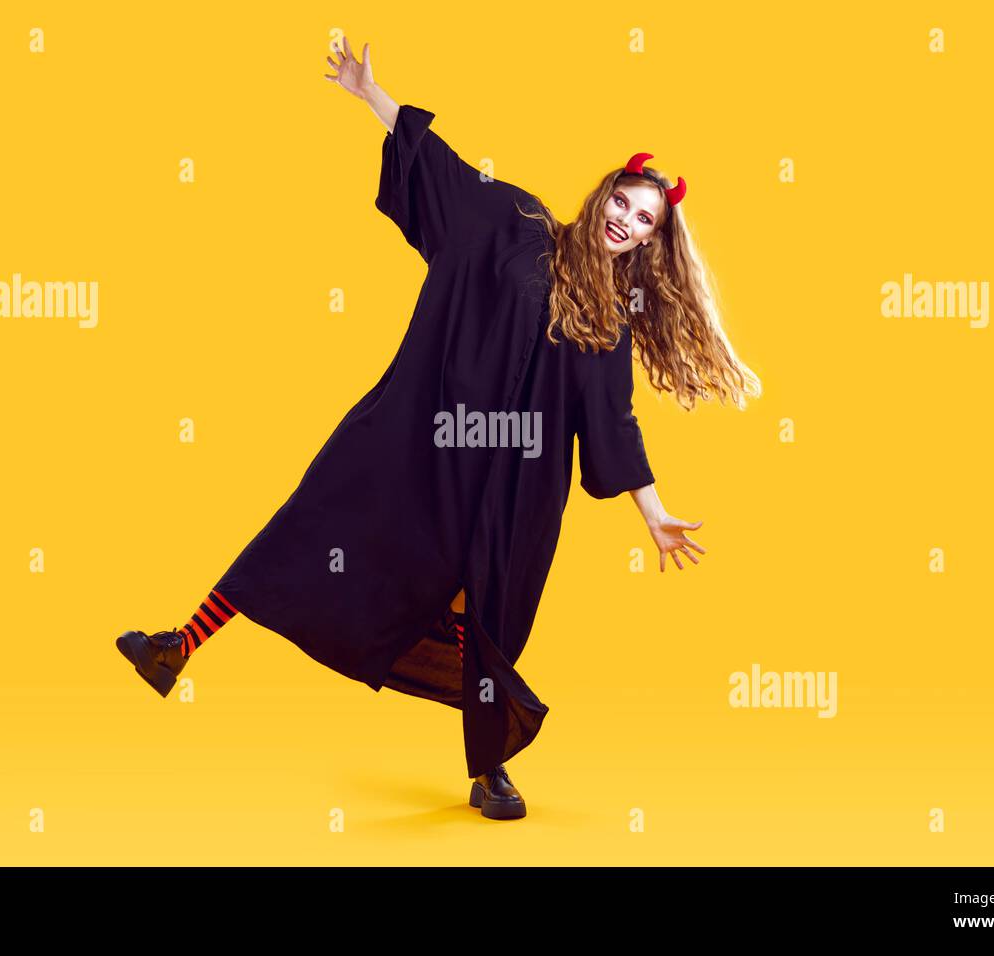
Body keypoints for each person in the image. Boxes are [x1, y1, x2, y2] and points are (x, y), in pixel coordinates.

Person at [116, 35, 761, 821]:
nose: (625, 222)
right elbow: (446, 172)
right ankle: (176, 646)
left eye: (644, 221)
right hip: (423, 441)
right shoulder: (514, 220)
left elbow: (611, 419)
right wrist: (372, 96)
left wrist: (654, 514)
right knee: (309, 523)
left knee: (480, 616)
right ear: (601, 197)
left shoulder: (608, 322)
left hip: (513, 487)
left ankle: (487, 769)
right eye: (621, 204)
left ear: (654, 241)